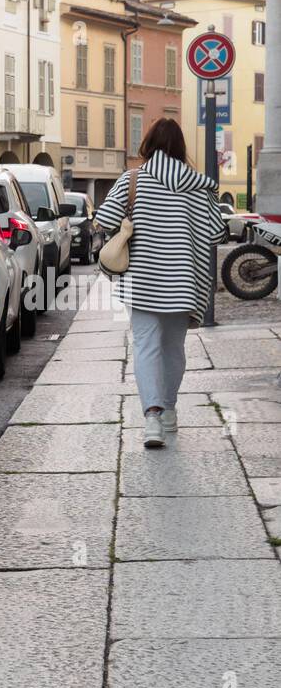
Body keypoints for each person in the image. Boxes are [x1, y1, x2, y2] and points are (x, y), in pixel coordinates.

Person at [94, 118, 226, 448]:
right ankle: (169, 409)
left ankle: (152, 417)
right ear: (181, 147)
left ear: (148, 144)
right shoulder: (200, 186)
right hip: (184, 281)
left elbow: (104, 220)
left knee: (146, 345)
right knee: (173, 348)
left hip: (143, 281)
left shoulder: (133, 180)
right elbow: (217, 233)